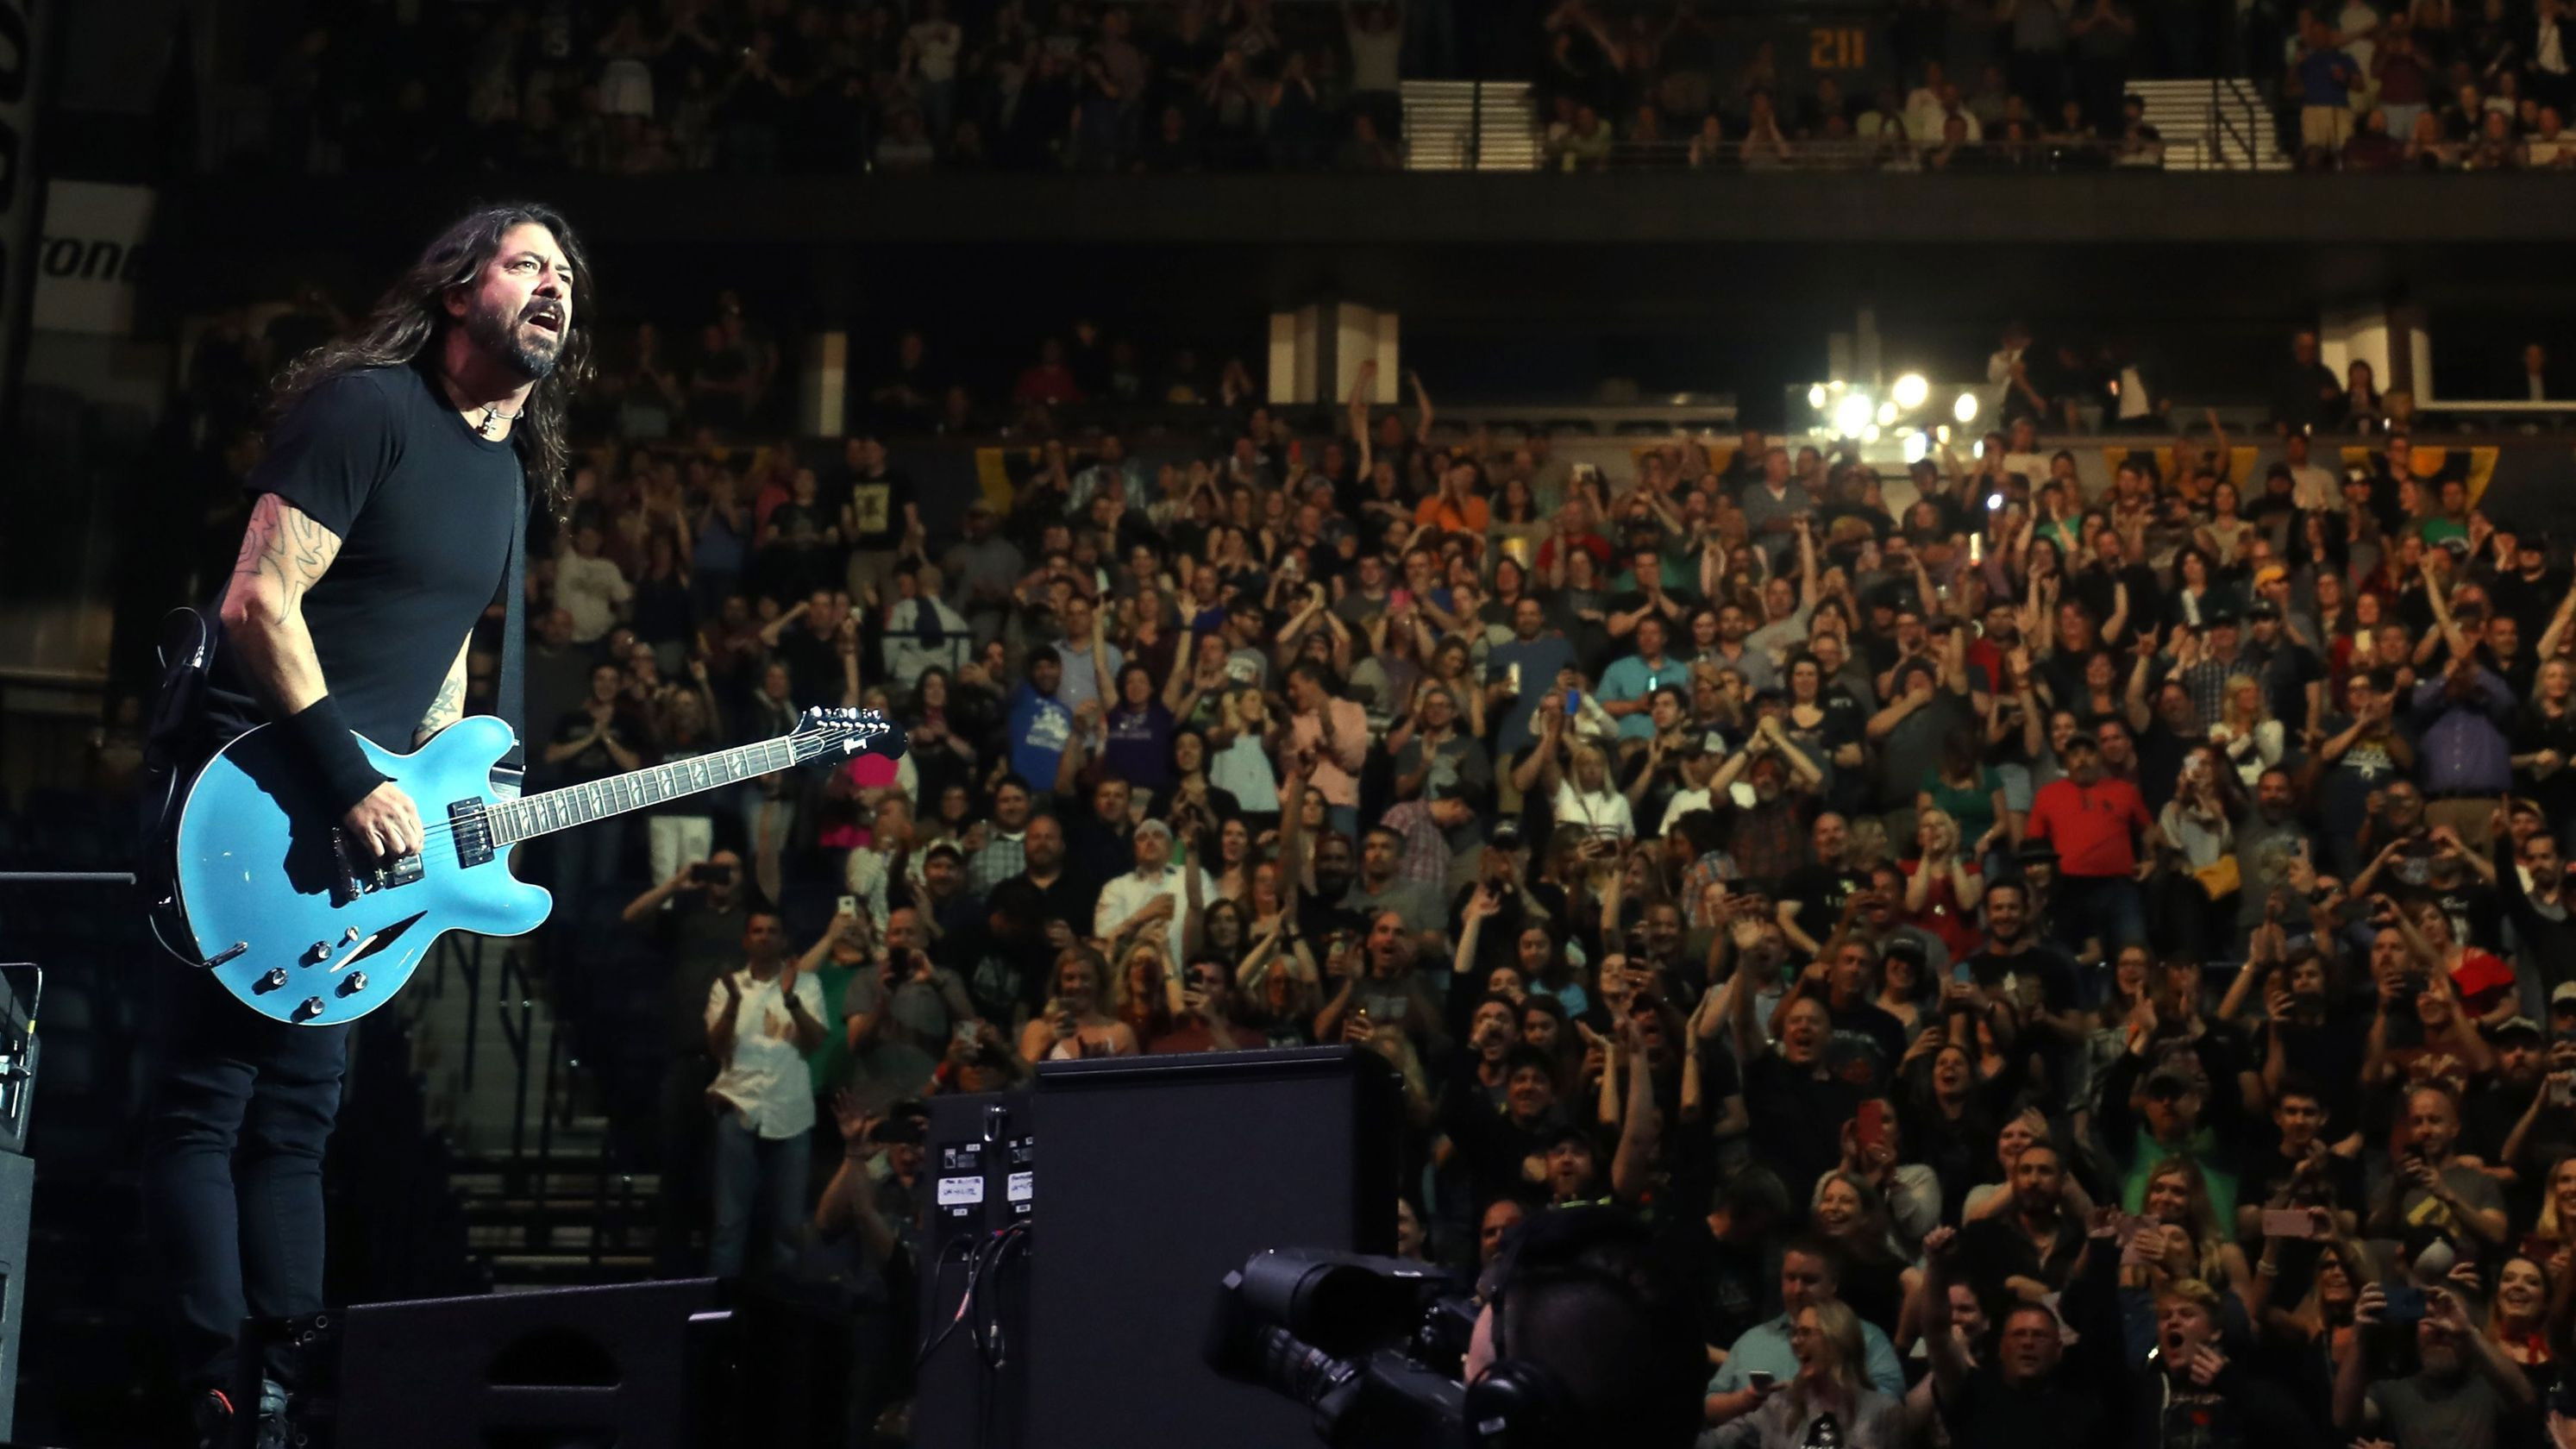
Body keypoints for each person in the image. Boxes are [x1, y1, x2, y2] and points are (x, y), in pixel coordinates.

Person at [146, 202, 588, 1443]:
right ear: (458, 291)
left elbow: (439, 674)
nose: (554, 287)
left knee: (301, 1114)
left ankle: (283, 1379)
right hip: (254, 794)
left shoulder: (502, 474)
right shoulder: (362, 409)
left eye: (565, 274)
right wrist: (350, 778)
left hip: (366, 825)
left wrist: (449, 792)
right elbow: (256, 601)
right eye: (525, 265)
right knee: (206, 1102)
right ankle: (210, 1380)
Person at [705, 907, 828, 1277]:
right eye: (757, 931)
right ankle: (719, 1316)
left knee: (789, 1228)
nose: (764, 936)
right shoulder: (726, 987)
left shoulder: (807, 984)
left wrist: (791, 1000)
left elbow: (817, 1040)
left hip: (789, 1109)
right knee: (729, 1225)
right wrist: (733, 1004)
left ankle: (785, 1321)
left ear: (784, 940)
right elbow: (716, 1047)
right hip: (738, 1107)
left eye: (772, 931)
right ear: (746, 940)